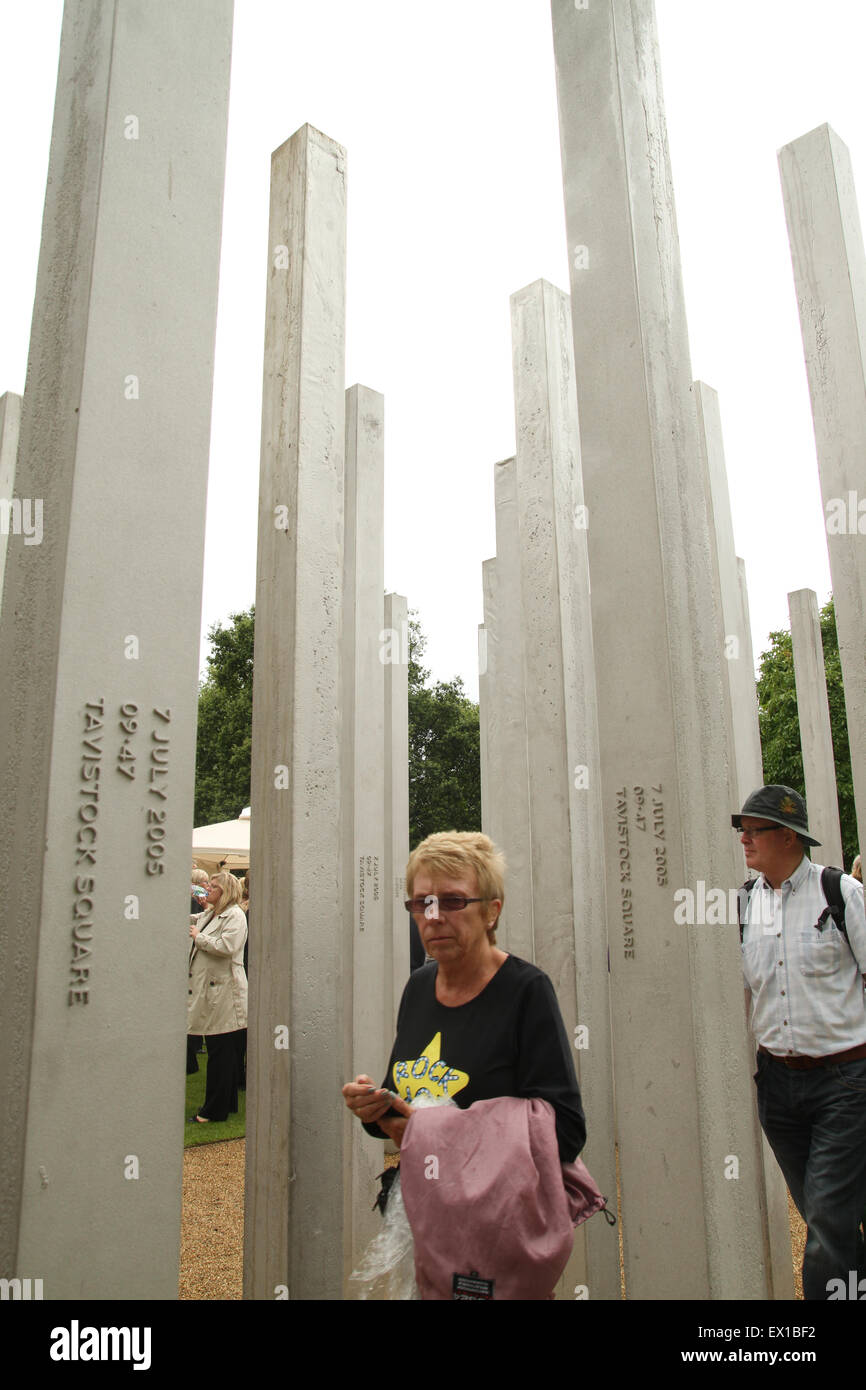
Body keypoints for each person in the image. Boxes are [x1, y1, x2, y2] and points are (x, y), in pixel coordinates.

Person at [342, 831, 586, 1265]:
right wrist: (375, 1108)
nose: (433, 917)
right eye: (421, 903)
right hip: (424, 1218)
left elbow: (565, 1133)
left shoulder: (525, 991)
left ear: (492, 911)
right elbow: (404, 1103)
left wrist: (435, 1134)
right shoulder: (419, 987)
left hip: (496, 1233)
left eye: (453, 901)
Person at [735, 785, 866, 1300]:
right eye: (742, 831)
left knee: (828, 1226)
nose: (744, 840)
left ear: (788, 836)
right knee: (826, 1215)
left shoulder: (840, 893)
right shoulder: (743, 903)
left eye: (754, 830)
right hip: (779, 1087)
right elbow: (749, 991)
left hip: (846, 1083)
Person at [187, 871, 248, 1123]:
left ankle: (213, 1110)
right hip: (214, 991)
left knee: (220, 1052)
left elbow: (227, 946)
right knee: (222, 1050)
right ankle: (226, 1103)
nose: (207, 889)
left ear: (225, 891)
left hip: (224, 992)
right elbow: (194, 919)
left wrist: (198, 938)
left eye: (213, 887)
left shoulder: (234, 915)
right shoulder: (212, 913)